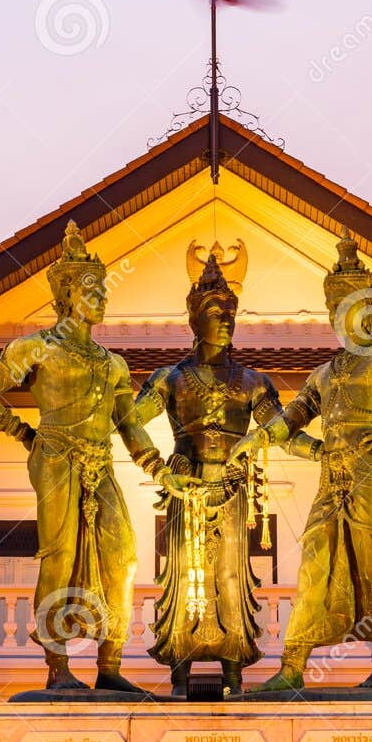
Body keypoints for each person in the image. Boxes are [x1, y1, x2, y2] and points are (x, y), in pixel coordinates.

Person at [230, 229, 372, 692]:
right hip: (331, 473)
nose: (341, 320)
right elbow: (292, 419)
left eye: (349, 310)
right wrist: (256, 438)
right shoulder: (325, 372)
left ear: (369, 310)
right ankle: (292, 665)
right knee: (315, 561)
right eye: (335, 313)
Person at [0, 220, 185, 691]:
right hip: (56, 458)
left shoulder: (112, 363)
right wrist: (23, 432)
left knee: (122, 555)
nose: (102, 296)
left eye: (103, 288)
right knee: (60, 555)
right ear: (65, 298)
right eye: (91, 289)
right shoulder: (36, 349)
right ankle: (58, 667)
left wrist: (157, 468)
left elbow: (128, 422)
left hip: (100, 461)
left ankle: (110, 667)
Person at [136, 253, 316, 696]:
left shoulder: (253, 381)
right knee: (183, 575)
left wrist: (325, 451)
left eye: (231, 314)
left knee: (232, 578)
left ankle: (234, 671)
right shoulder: (170, 378)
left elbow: (279, 432)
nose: (226, 322)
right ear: (194, 320)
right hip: (186, 484)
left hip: (233, 489)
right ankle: (180, 670)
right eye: (216, 313)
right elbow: (130, 419)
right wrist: (156, 466)